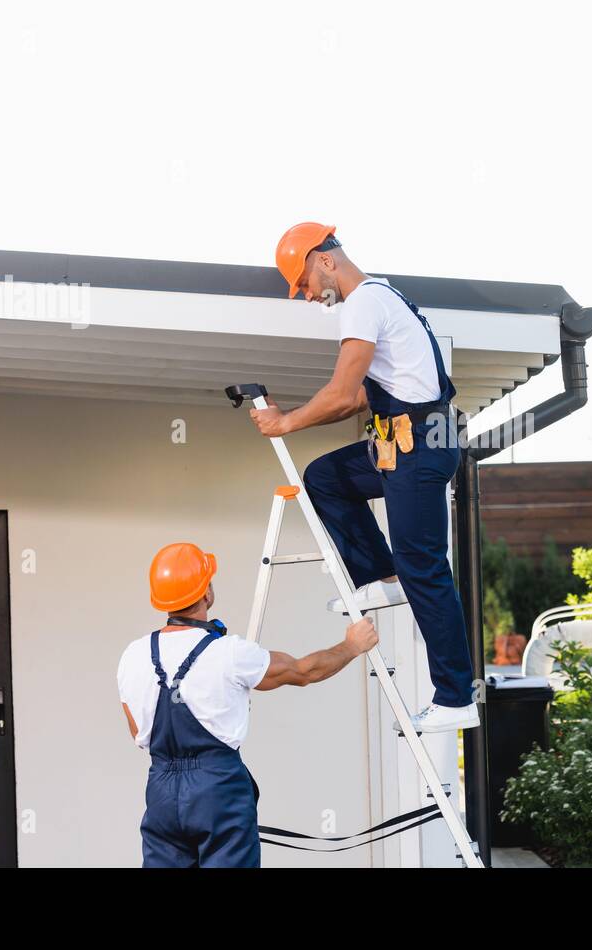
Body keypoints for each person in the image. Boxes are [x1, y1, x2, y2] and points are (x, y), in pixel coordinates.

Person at [247, 222, 477, 734]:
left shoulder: (365, 302)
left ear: (324, 259)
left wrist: (285, 422)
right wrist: (295, 418)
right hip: (406, 443)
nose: (307, 295)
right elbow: (353, 400)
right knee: (326, 477)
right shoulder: (382, 299)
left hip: (418, 446)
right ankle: (382, 575)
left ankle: (456, 696)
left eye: (304, 282)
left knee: (426, 568)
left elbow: (339, 388)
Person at [117, 541, 378, 867]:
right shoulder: (230, 653)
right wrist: (352, 646)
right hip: (218, 789)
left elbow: (139, 734)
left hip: (161, 794)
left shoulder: (133, 656)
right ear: (206, 593)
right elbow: (304, 672)